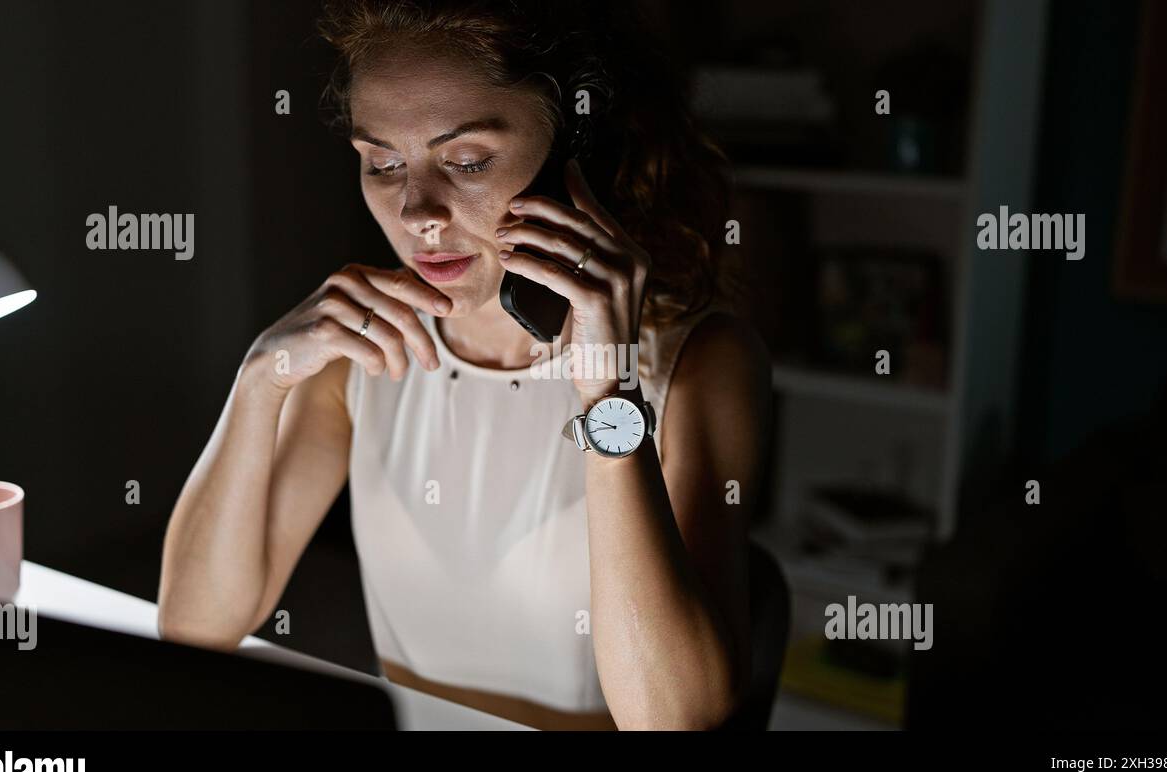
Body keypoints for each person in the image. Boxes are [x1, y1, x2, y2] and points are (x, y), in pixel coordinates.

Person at [158, 0, 770, 730]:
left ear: (577, 151)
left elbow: (674, 719)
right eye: (383, 163)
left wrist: (608, 389)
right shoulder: (363, 351)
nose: (418, 210)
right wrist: (260, 380)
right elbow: (193, 628)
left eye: (467, 160)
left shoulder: (703, 362)